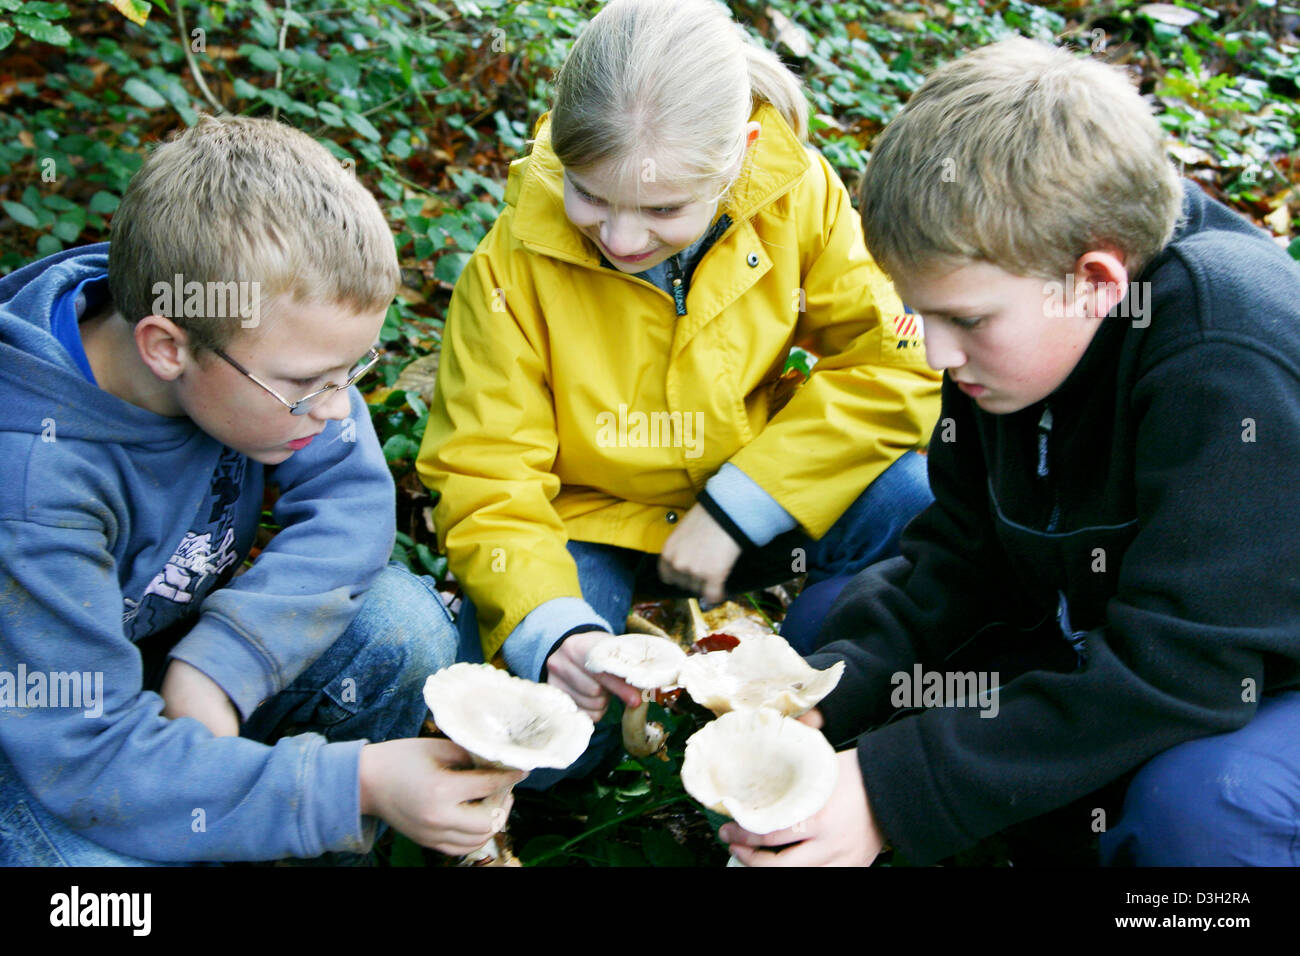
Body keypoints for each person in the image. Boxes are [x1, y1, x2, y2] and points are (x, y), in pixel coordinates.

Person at [721, 37, 1300, 866]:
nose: (934, 357)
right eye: (923, 314)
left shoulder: (1229, 358)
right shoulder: (1017, 325)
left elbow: (1186, 669)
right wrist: (836, 692)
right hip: (1105, 634)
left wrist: (894, 792)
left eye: (964, 321)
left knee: (1206, 812)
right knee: (827, 649)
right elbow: (963, 550)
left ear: (1096, 281)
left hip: (1256, 679)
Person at [417, 0, 941, 765]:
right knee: (538, 756)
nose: (622, 238)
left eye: (663, 209)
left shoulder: (795, 198)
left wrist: (741, 506)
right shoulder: (509, 269)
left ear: (741, 156)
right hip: (585, 527)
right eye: (591, 195)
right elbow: (485, 469)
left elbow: (893, 355)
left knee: (916, 507)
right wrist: (553, 627)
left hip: (761, 501)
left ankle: (800, 710)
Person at [0, 115, 521, 865]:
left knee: (401, 628)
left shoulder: (252, 342)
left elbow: (350, 506)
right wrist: (353, 786)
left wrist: (223, 664)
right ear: (166, 347)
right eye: (310, 385)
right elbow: (85, 759)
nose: (340, 408)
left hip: (153, 664)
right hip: (41, 732)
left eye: (353, 372)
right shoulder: (33, 477)